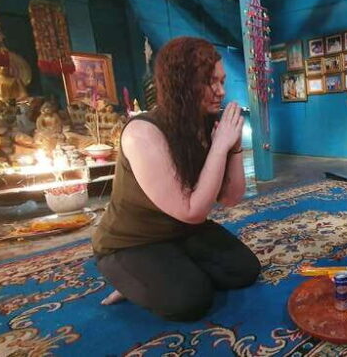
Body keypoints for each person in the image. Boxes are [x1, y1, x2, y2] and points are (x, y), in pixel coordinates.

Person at [93, 37, 261, 321]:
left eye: (222, 81)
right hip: (133, 241)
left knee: (244, 270)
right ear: (182, 84)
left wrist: (233, 147)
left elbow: (231, 198)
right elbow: (192, 211)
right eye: (211, 82)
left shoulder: (206, 121)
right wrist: (219, 146)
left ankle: (160, 272)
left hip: (181, 232)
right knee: (190, 302)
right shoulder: (143, 133)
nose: (221, 92)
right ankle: (129, 279)